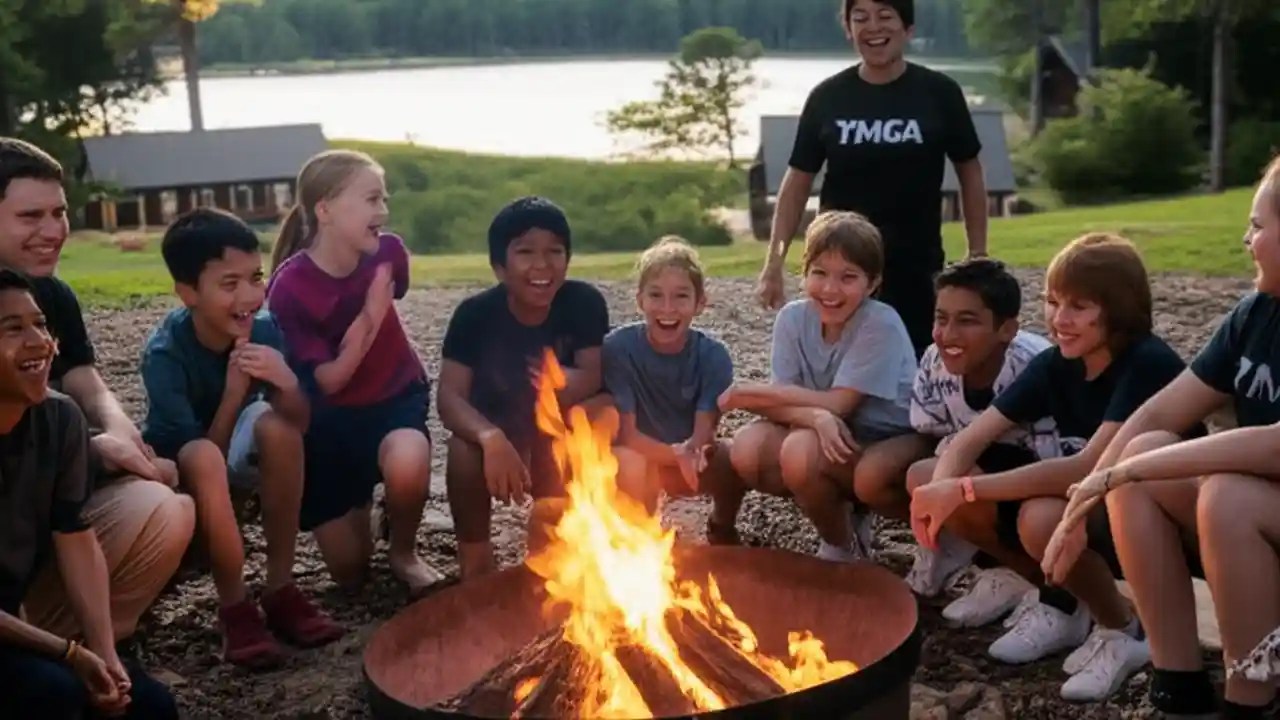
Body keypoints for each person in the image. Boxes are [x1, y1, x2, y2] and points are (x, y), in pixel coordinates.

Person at [1042, 156, 1280, 719]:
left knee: (1221, 493)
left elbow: (1275, 443)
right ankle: (1180, 686)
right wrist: (1089, 496)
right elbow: (1160, 413)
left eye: (1258, 225)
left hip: (1255, 506)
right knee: (1146, 453)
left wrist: (1117, 471)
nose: (1245, 238)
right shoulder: (1254, 315)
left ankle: (1251, 700)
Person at [910, 233, 1193, 702]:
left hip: (1163, 519)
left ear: (1117, 308)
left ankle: (1124, 630)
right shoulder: (1056, 363)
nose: (1059, 320)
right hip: (1094, 503)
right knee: (926, 474)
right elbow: (968, 440)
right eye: (1053, 301)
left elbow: (1087, 465)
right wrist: (943, 489)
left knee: (1040, 515)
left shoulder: (1146, 363)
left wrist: (963, 492)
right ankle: (1060, 604)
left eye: (1078, 307)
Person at [0, 138, 194, 672]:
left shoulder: (50, 294)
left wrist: (119, 432)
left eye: (59, 212)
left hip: (43, 494)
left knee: (168, 503)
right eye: (30, 216)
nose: (53, 229)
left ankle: (87, 641)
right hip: (20, 487)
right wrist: (93, 449)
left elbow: (85, 379)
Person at [141, 208, 343, 668]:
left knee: (278, 425)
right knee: (203, 457)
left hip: (240, 455)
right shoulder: (165, 355)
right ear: (188, 292)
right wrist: (233, 393)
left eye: (255, 278)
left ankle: (280, 588)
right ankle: (234, 608)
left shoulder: (267, 329)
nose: (250, 296)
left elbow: (302, 423)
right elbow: (201, 455)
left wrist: (288, 382)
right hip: (185, 473)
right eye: (229, 285)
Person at [755, 0, 988, 358]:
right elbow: (798, 179)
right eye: (860, 18)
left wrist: (977, 253)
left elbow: (970, 172)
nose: (873, 28)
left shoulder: (939, 93)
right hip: (840, 263)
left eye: (885, 17)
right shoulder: (828, 97)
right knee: (838, 363)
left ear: (907, 29)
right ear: (848, 28)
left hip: (915, 260)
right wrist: (774, 262)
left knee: (912, 366)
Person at [0, 269, 178, 719]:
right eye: (13, 329)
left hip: (17, 628)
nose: (39, 341)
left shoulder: (59, 421)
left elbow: (75, 539)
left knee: (149, 706)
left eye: (40, 324)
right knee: (52, 694)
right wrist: (68, 654)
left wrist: (104, 653)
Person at [267, 149, 440, 594]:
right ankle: (362, 501)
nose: (383, 211)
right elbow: (329, 380)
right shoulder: (289, 288)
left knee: (407, 460)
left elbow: (392, 289)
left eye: (383, 199)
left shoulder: (389, 254)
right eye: (371, 200)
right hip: (331, 424)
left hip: (392, 398)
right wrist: (370, 313)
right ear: (324, 209)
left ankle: (403, 549)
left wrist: (374, 309)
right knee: (351, 576)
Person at [721, 210, 923, 563]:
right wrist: (815, 417)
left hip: (890, 437)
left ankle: (852, 543)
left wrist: (749, 394)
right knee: (748, 449)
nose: (830, 289)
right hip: (833, 430)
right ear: (804, 273)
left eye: (848, 277)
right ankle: (842, 529)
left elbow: (840, 404)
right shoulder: (792, 319)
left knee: (800, 452)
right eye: (819, 273)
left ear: (872, 283)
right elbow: (784, 405)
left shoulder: (880, 323)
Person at [440, 196, 610, 581]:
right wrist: (491, 436)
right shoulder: (474, 315)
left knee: (596, 412)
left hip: (555, 425)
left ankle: (554, 540)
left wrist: (552, 389)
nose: (542, 265)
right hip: (498, 425)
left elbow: (593, 375)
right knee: (462, 450)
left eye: (555, 251)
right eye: (525, 252)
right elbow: (449, 398)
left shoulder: (583, 302)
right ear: (499, 267)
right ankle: (476, 559)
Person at [902, 258, 1058, 622]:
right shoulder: (934, 361)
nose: (948, 334)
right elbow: (933, 429)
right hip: (983, 464)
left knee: (957, 481)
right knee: (921, 475)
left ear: (1006, 329)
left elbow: (1062, 455)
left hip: (1044, 478)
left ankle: (1053, 588)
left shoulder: (1036, 367)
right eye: (941, 318)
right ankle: (1000, 568)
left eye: (967, 321)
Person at [603, 236, 744, 541]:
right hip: (641, 453)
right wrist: (671, 454)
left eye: (681, 296)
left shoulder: (712, 355)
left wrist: (689, 451)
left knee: (733, 459)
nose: (667, 308)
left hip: (693, 455)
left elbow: (705, 429)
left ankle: (722, 525)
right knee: (628, 462)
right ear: (639, 300)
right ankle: (641, 533)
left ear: (700, 303)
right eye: (656, 295)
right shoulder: (618, 348)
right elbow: (626, 433)